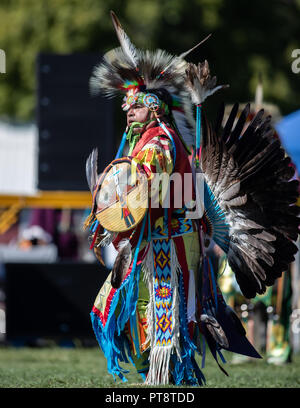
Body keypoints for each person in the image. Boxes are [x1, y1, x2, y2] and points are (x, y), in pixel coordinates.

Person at [84, 12, 300, 386]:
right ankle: (158, 368)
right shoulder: (143, 142)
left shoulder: (158, 143)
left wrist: (118, 200)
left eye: (133, 104)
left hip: (171, 239)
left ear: (153, 106)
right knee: (121, 306)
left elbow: (147, 188)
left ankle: (165, 376)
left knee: (165, 314)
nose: (125, 109)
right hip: (156, 238)